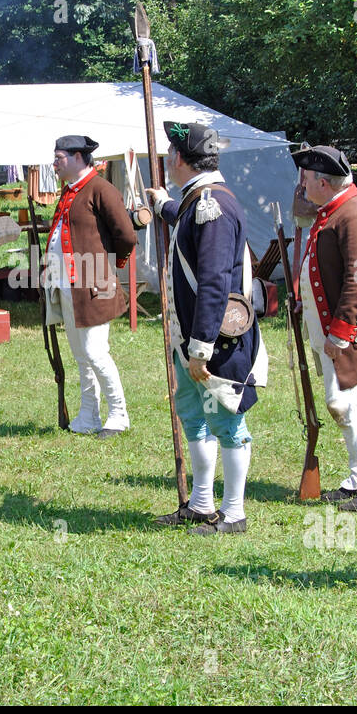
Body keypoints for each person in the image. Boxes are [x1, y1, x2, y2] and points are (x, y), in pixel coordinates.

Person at [147, 121, 267, 533]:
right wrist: (163, 204)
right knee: (195, 414)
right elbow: (187, 224)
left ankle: (233, 513)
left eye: (169, 153)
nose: (166, 159)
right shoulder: (198, 200)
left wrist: (200, 349)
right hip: (194, 337)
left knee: (227, 422)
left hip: (213, 342)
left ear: (179, 158)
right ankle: (201, 503)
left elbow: (214, 281)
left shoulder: (211, 204)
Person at [292, 144, 357, 512]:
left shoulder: (354, 217)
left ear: (323, 181)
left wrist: (340, 333)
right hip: (330, 326)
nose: (302, 184)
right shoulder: (334, 209)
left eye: (306, 178)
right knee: (346, 403)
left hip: (349, 330)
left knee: (345, 403)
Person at [43, 135, 138, 438]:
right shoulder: (69, 192)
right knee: (82, 356)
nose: (54, 163)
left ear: (77, 157)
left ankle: (119, 414)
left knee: (96, 352)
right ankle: (88, 415)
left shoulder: (101, 189)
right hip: (69, 285)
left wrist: (109, 267)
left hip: (95, 284)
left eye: (59, 157)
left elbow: (126, 236)